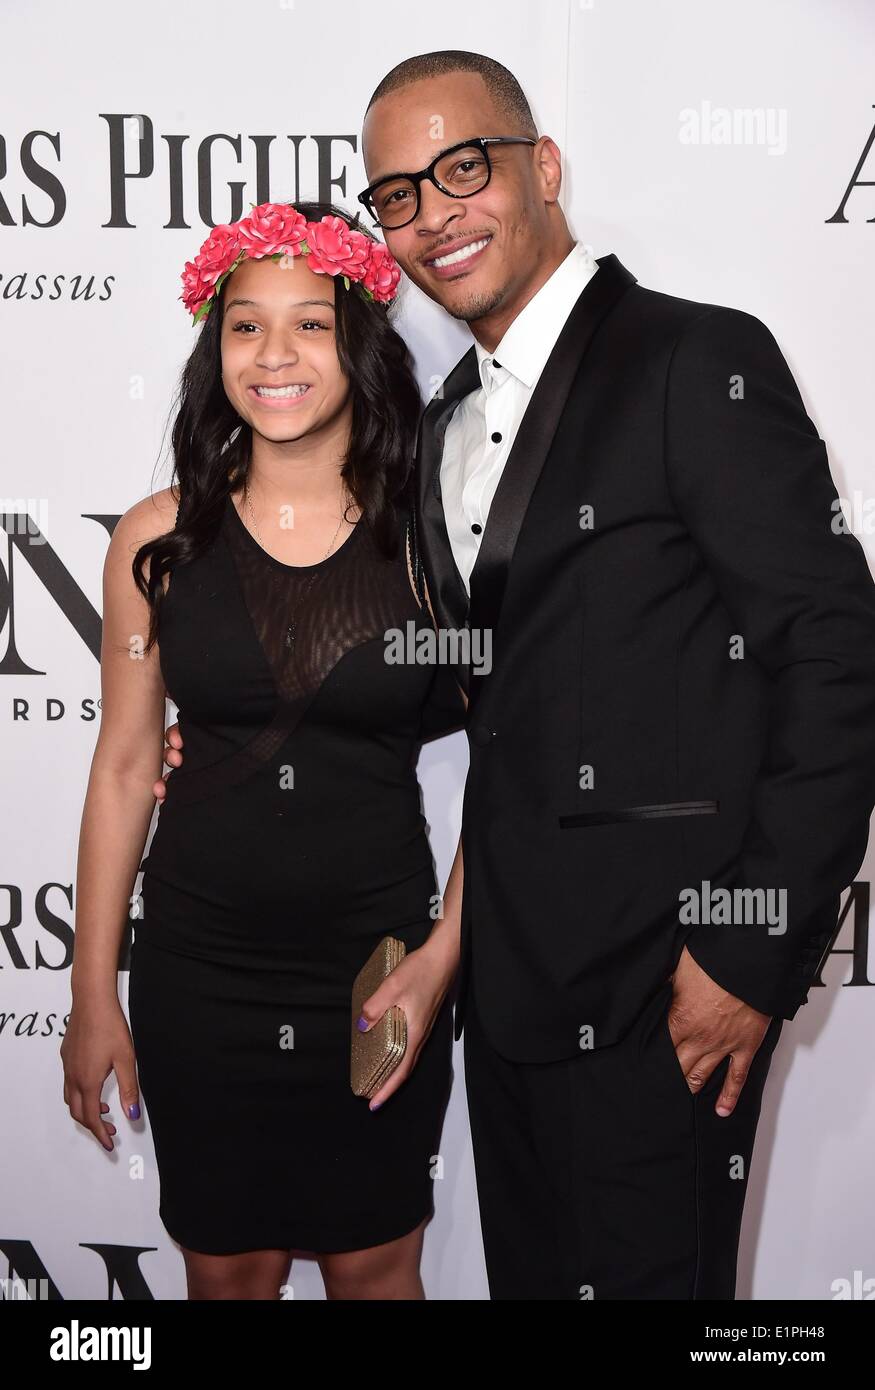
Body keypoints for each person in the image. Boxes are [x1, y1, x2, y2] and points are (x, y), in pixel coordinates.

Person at [354, 51, 875, 1298]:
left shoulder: (693, 358)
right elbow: (497, 701)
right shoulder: (439, 425)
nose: (433, 214)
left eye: (462, 167)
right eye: (397, 194)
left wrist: (746, 955)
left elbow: (835, 659)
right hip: (509, 1000)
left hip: (667, 995)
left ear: (542, 166)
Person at [60, 199, 466, 1301]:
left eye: (309, 324)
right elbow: (125, 766)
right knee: (228, 1273)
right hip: (201, 975)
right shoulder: (156, 540)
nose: (274, 355)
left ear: (358, 344)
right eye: (246, 325)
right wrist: (92, 992)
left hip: (378, 973)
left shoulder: (432, 540)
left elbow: (516, 758)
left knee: (373, 1270)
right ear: (216, 347)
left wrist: (446, 950)